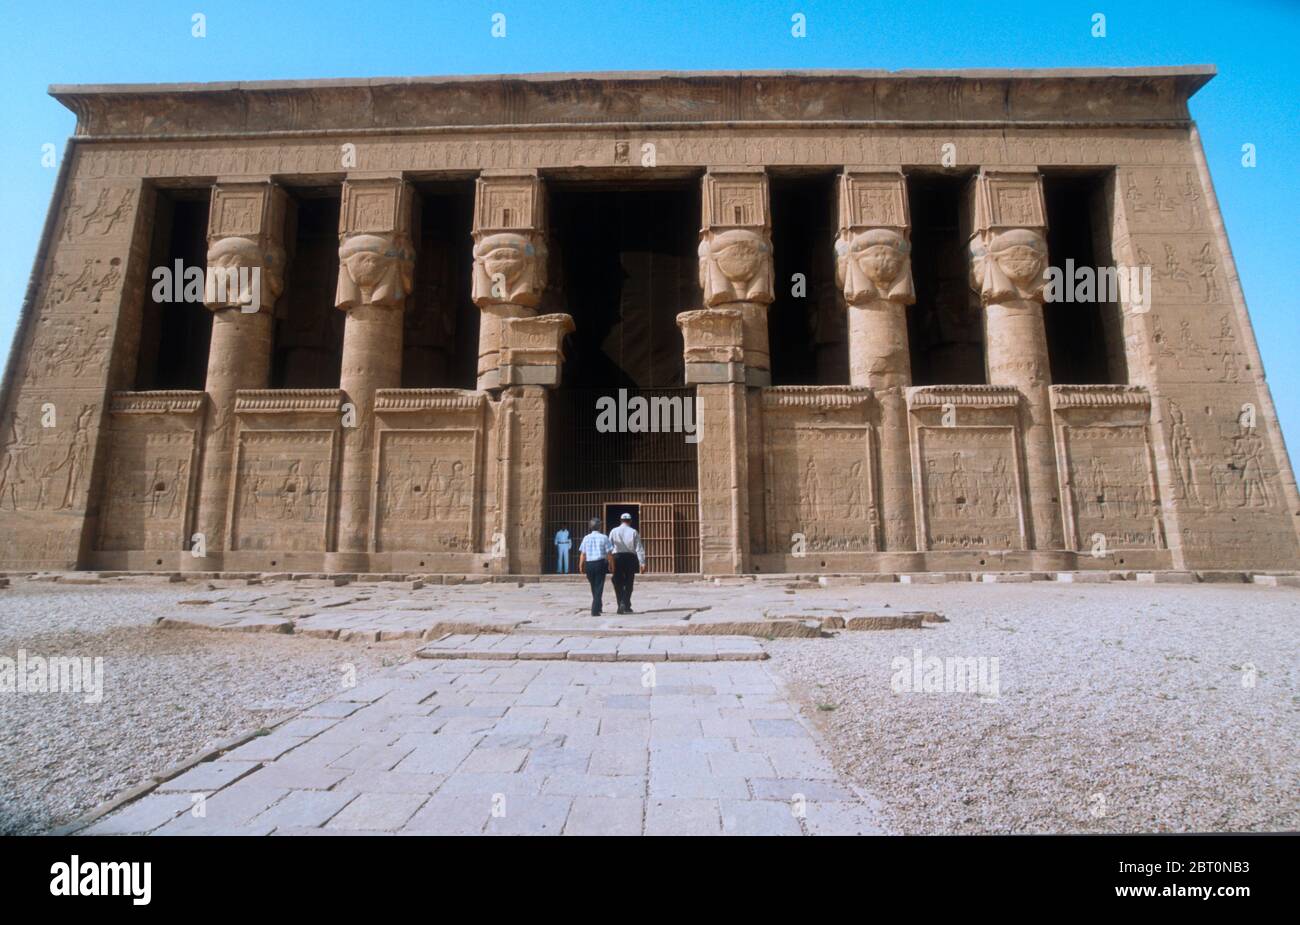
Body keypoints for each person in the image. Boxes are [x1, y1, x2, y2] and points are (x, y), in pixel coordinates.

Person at [608, 511, 646, 614]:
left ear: (621, 520)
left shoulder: (613, 531)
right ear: (630, 521)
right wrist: (642, 563)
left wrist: (609, 562)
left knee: (617, 582)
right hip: (630, 558)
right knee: (629, 582)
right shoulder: (633, 531)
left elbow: (609, 548)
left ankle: (621, 603)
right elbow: (639, 548)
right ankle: (625, 604)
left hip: (617, 557)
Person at [577, 518, 615, 616]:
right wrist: (611, 565)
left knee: (594, 586)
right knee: (598, 586)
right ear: (600, 526)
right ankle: (594, 609)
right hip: (600, 564)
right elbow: (609, 553)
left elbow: (583, 553)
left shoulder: (586, 538)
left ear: (590, 527)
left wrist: (581, 565)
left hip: (589, 564)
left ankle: (598, 606)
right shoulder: (604, 537)